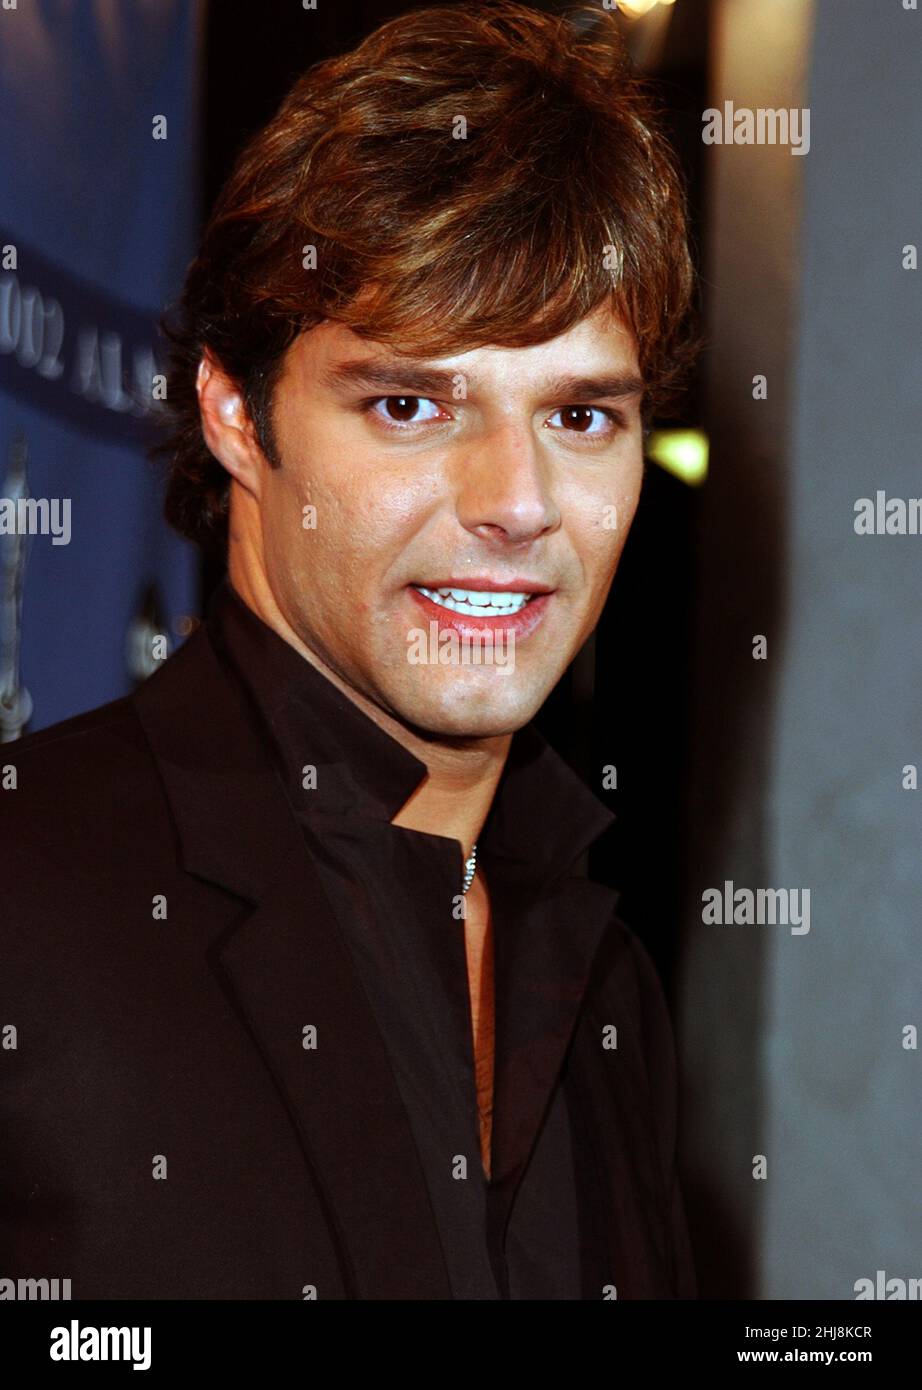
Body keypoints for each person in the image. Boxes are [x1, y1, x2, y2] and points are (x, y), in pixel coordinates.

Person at [0, 1, 699, 1299]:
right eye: (409, 402)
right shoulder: (28, 894)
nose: (516, 499)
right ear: (234, 412)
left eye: (581, 414)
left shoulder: (606, 980)